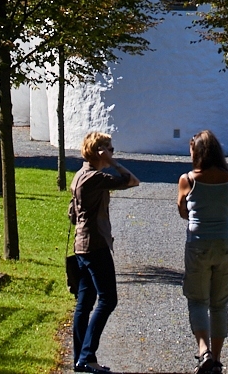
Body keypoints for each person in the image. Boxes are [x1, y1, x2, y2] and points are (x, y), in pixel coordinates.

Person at [69, 131, 140, 373]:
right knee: (108, 299)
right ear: (99, 151)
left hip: (82, 245)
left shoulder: (79, 175)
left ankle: (80, 357)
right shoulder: (94, 178)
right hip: (95, 244)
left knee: (85, 302)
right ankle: (86, 356)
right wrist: (113, 164)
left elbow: (73, 214)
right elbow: (132, 180)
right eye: (109, 148)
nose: (113, 152)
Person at [177, 130, 228, 374]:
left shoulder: (188, 179)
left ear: (198, 152)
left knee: (197, 299)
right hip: (226, 242)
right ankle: (216, 359)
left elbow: (183, 211)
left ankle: (203, 350)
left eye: (192, 149)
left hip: (199, 243)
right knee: (220, 303)